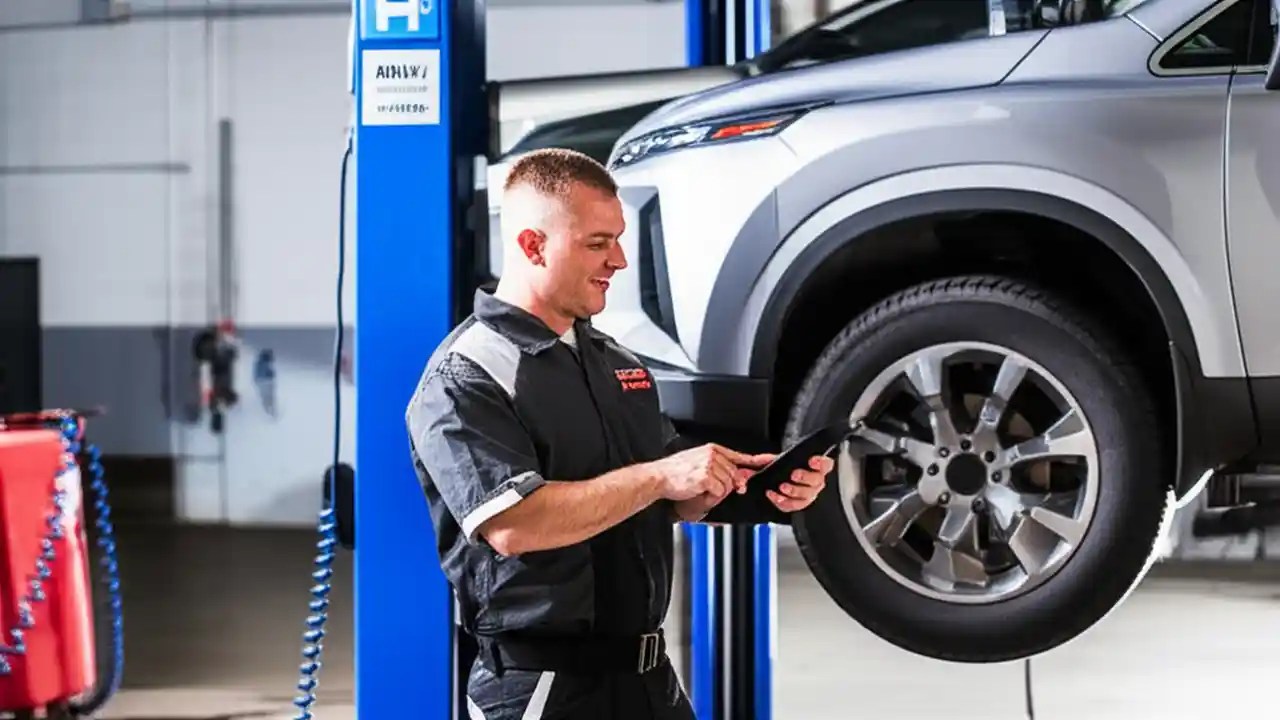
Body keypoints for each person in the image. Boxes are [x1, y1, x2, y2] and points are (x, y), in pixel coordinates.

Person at [405, 147, 835, 720]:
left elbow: (662, 492)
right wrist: (661, 476)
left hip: (647, 681)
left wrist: (756, 489)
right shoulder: (466, 376)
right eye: (597, 243)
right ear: (533, 246)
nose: (620, 261)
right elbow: (514, 524)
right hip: (542, 689)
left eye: (619, 239)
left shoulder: (616, 363)